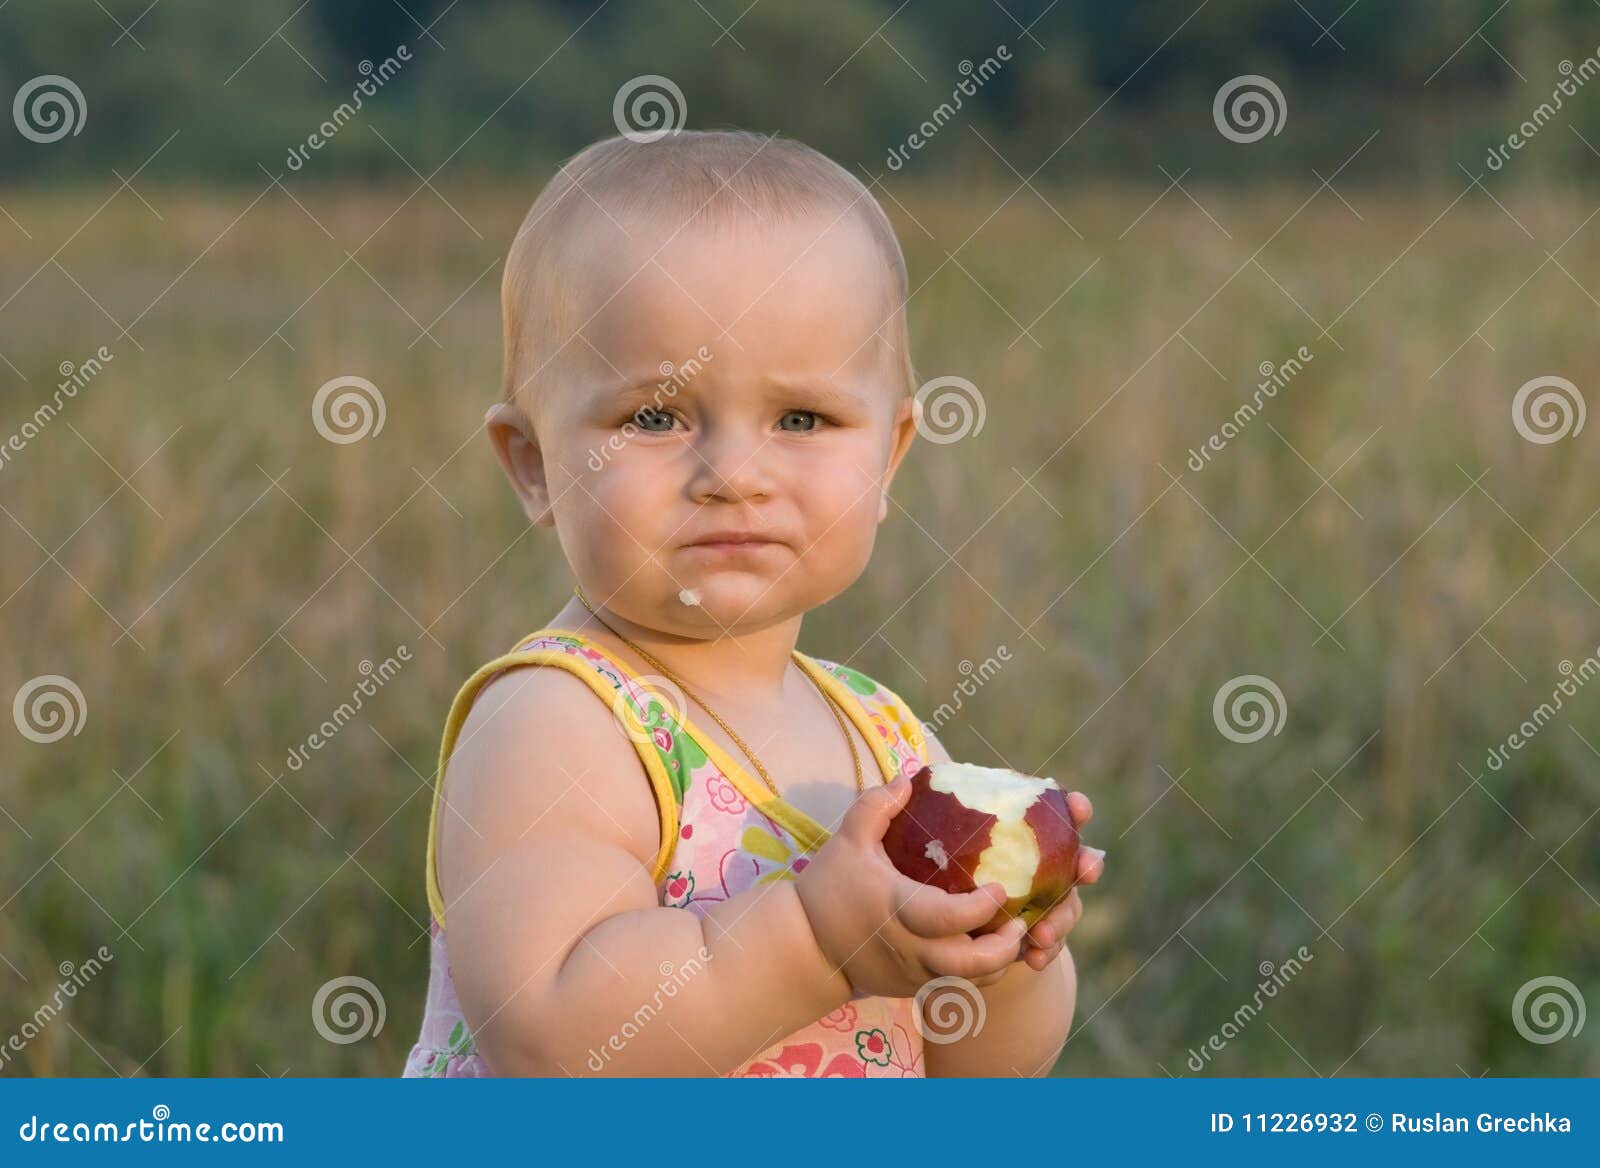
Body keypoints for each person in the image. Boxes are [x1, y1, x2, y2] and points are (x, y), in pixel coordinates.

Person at [404, 129, 1105, 1078]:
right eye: (654, 418)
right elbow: (555, 1039)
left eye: (802, 419)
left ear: (890, 454)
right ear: (533, 466)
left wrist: (996, 956)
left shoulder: (888, 744)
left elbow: (975, 1077)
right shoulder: (557, 722)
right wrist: (822, 945)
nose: (733, 474)